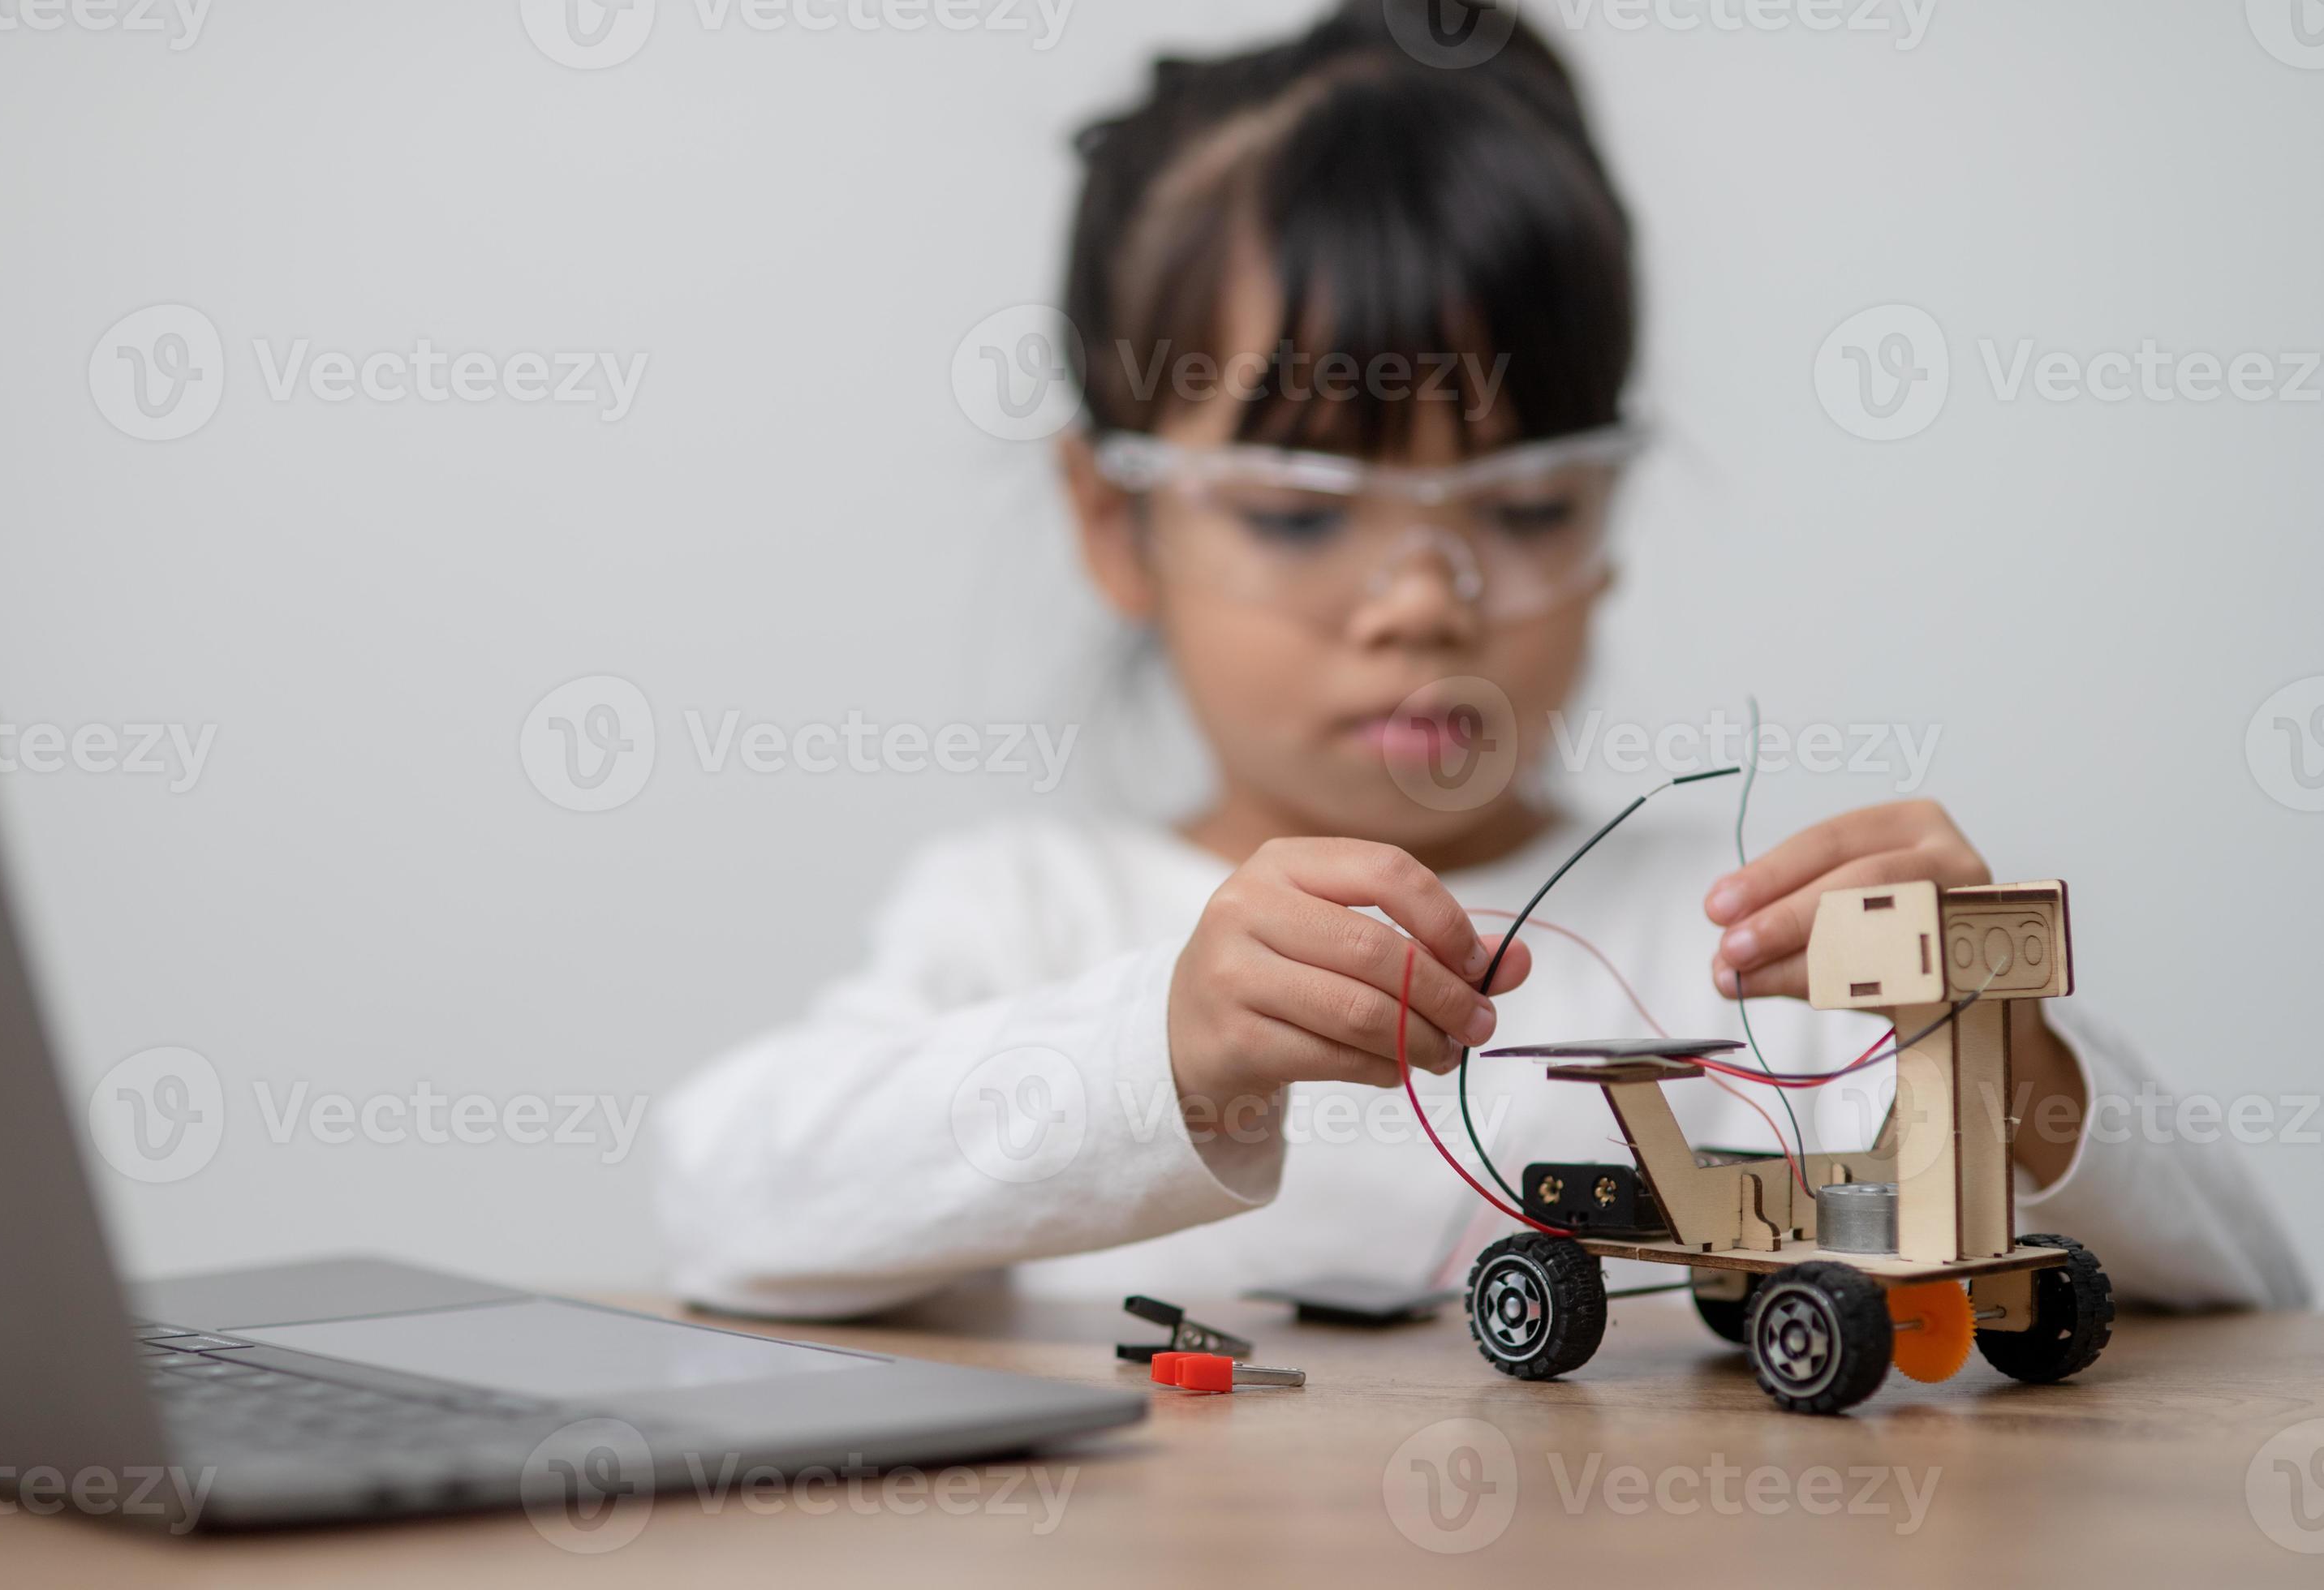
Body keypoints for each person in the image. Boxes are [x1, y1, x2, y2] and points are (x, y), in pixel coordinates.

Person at [656, 1, 2307, 1321]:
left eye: (1522, 504)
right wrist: (1152, 1042)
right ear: (1115, 520)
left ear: (1611, 500)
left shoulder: (1763, 947)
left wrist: (2002, 1048)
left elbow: (2246, 1285)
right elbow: (724, 1201)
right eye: (1306, 515)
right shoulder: (1023, 919)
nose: (1425, 598)